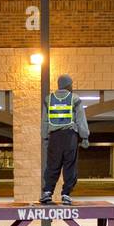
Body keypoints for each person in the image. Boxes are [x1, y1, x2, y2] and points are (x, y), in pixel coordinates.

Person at [41, 73, 90, 205]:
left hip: (54, 138)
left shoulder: (48, 99)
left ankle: (47, 192)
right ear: (68, 85)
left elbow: (45, 120)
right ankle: (66, 194)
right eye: (71, 84)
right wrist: (84, 137)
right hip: (70, 137)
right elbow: (81, 119)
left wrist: (45, 137)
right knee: (70, 165)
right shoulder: (75, 99)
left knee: (52, 165)